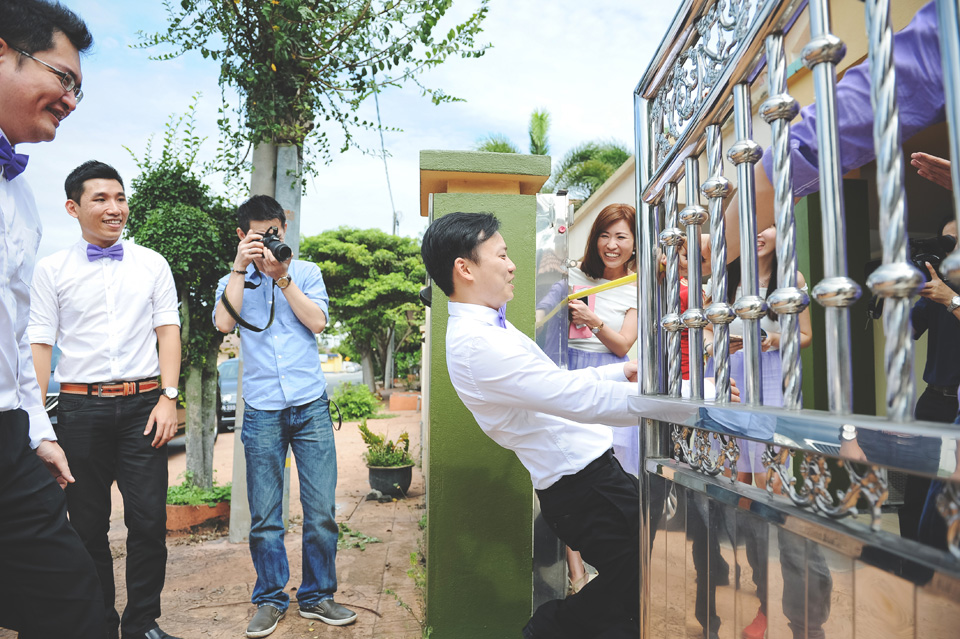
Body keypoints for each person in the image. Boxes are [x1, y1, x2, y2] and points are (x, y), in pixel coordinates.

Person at [420, 211, 736, 639]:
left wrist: (615, 373)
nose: (511, 264)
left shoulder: (489, 328)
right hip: (582, 487)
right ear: (465, 268)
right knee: (642, 580)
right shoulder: (478, 343)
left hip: (589, 478)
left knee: (641, 581)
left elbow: (555, 387)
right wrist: (693, 396)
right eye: (501, 254)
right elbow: (573, 400)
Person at [28, 161, 182, 639]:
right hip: (78, 411)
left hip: (144, 408)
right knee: (86, 527)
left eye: (119, 197)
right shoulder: (50, 270)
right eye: (101, 199)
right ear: (74, 208)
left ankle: (142, 625)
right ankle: (97, 625)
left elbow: (168, 332)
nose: (114, 208)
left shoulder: (152, 262)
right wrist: (38, 423)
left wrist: (168, 397)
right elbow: (39, 345)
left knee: (149, 523)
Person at [0, 2, 107, 636]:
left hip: (10, 434)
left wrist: (37, 429)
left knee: (72, 606)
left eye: (79, 89)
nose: (71, 99)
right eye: (62, 78)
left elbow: (13, 330)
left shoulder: (20, 195)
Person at [213, 195, 356, 638]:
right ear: (242, 235)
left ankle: (316, 596)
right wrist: (241, 268)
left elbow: (317, 323)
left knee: (320, 511)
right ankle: (270, 598)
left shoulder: (306, 272)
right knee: (266, 515)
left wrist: (283, 279)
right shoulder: (231, 280)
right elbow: (222, 324)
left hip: (309, 404)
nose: (270, 239)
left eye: (275, 232)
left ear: (283, 229)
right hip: (261, 409)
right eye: (260, 234)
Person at [564, 203, 639, 593]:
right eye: (605, 235)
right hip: (570, 369)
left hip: (612, 372)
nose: (612, 245)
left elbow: (624, 342)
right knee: (572, 465)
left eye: (621, 237)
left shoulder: (637, 285)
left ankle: (613, 566)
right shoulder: (572, 274)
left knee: (616, 466)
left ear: (633, 243)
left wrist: (594, 322)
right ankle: (577, 576)